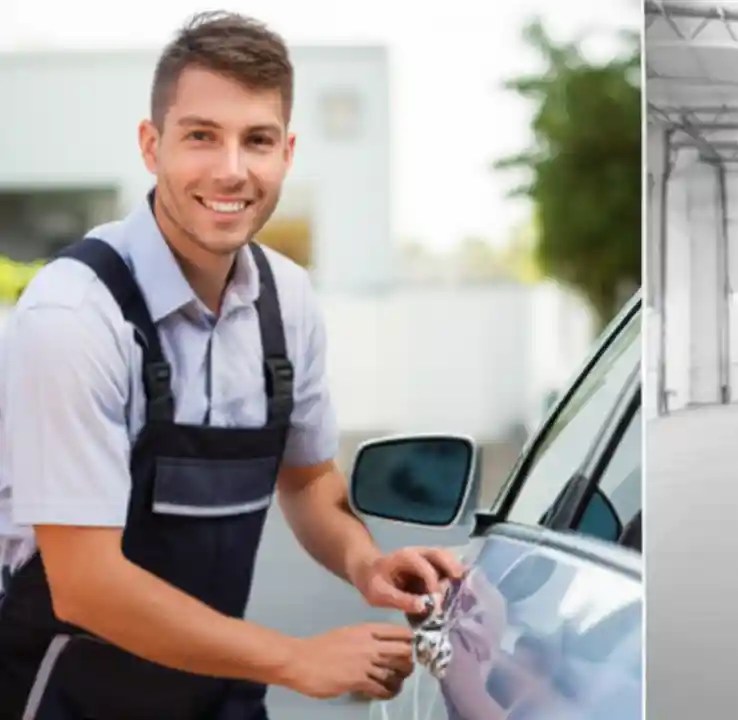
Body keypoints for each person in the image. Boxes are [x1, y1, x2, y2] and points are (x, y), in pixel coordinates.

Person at [0, 11, 463, 719]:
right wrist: (296, 659)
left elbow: (308, 481)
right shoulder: (74, 317)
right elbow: (85, 584)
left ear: (288, 153)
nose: (232, 170)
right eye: (201, 136)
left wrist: (366, 563)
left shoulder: (288, 302)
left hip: (216, 691)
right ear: (151, 145)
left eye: (258, 140)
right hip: (60, 696)